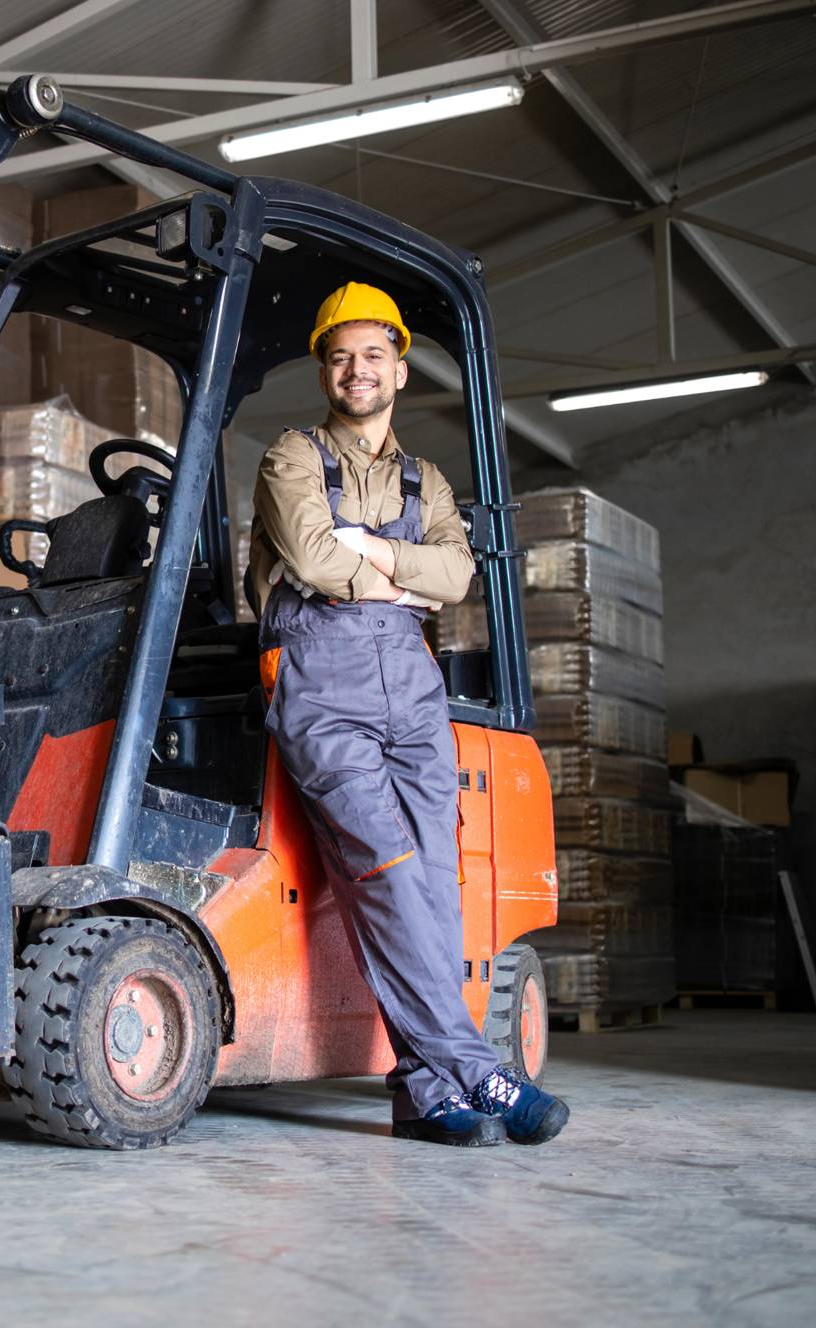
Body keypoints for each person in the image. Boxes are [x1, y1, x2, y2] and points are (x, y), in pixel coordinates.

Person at [247, 282, 569, 1148]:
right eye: (342, 355)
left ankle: (425, 1091)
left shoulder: (428, 480)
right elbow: (312, 558)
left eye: (374, 354)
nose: (359, 370)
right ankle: (481, 1071)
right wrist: (397, 576)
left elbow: (458, 579)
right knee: (389, 872)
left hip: (413, 693)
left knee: (432, 883)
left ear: (399, 366)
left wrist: (375, 555)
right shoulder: (292, 458)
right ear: (325, 368)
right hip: (324, 684)